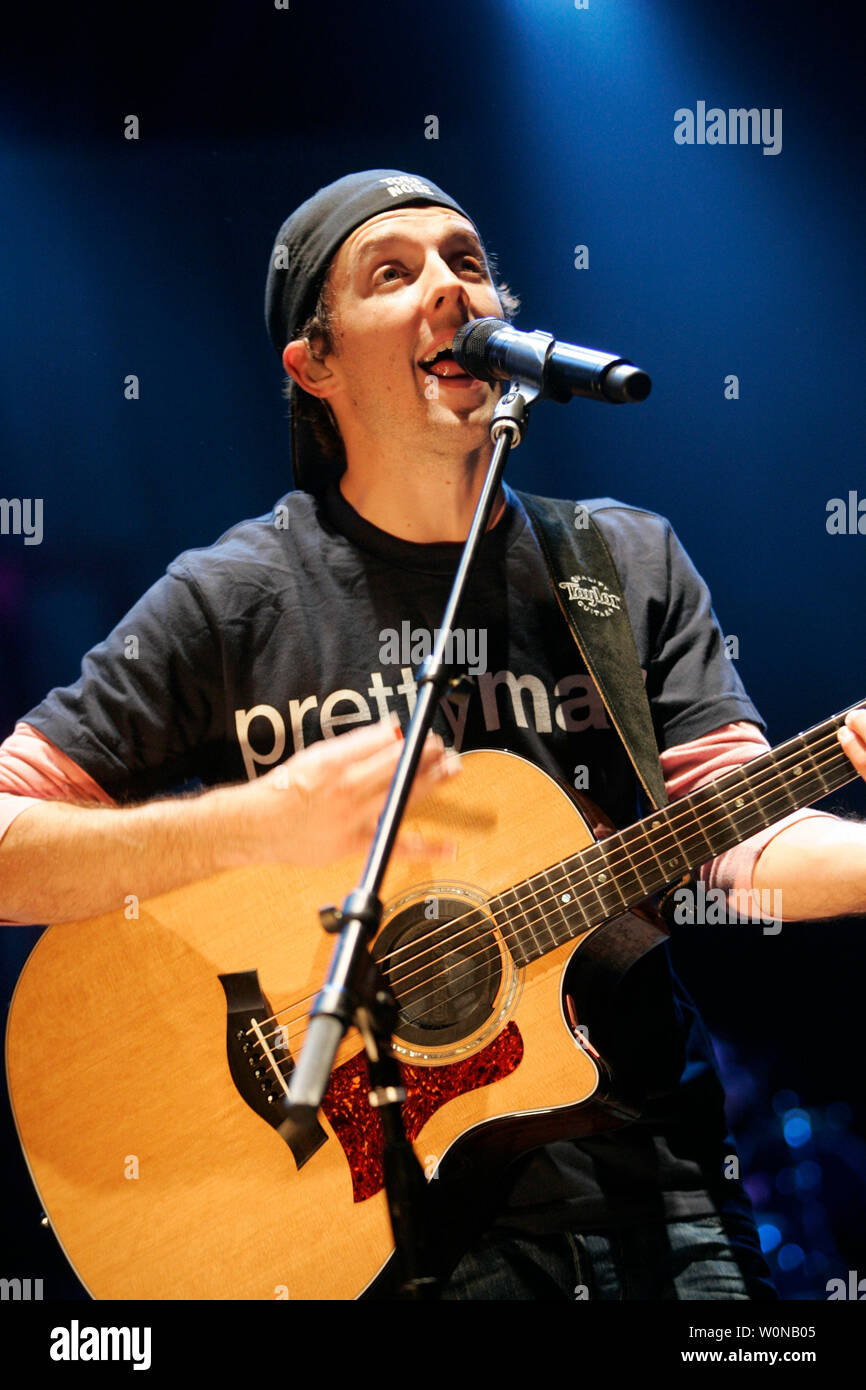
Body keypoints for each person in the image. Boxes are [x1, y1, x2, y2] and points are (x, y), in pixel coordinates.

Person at [2, 169, 865, 1301]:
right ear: (313, 365)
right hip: (378, 1236)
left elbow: (732, 849)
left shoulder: (619, 565)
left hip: (653, 1186)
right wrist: (256, 821)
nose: (449, 290)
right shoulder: (229, 601)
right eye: (392, 273)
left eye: (465, 261)